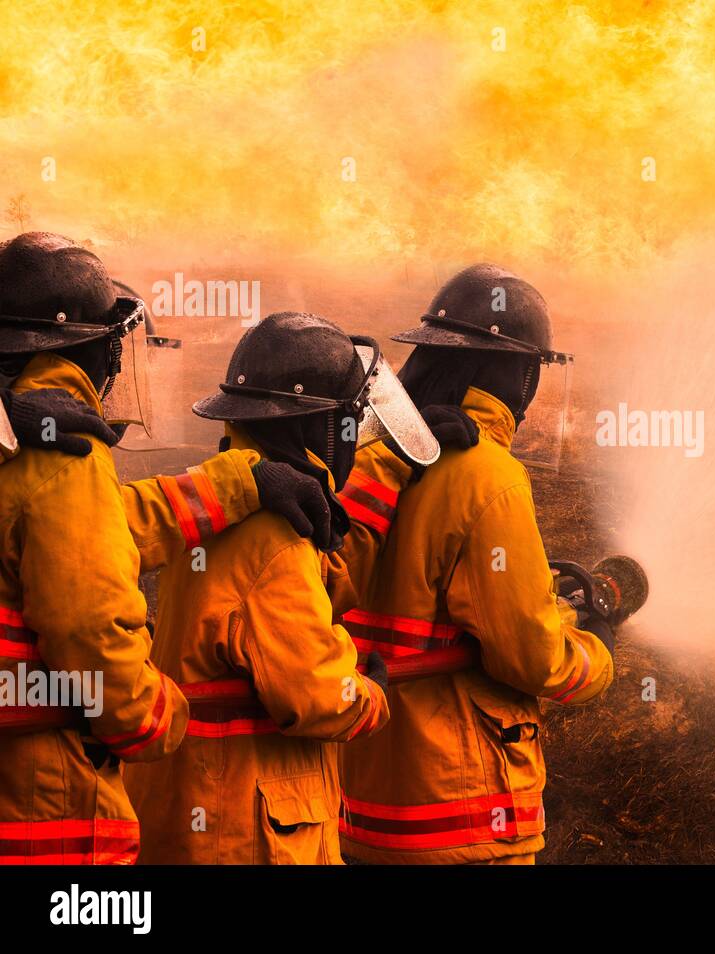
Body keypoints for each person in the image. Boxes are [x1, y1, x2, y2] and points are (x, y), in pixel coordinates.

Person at [0, 234, 327, 864]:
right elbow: (87, 621)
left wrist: (241, 481)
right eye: (111, 349)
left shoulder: (18, 433)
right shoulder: (63, 448)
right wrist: (152, 715)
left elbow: (99, 528)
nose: (116, 370)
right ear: (88, 345)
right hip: (45, 803)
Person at [123, 311, 438, 863]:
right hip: (246, 830)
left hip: (188, 808)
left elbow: (288, 605)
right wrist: (368, 693)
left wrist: (386, 468)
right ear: (315, 427)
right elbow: (315, 696)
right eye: (347, 424)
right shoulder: (276, 537)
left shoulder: (219, 513)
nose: (351, 437)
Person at [339, 264, 614, 865]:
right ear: (519, 374)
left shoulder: (367, 452)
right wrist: (593, 651)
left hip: (354, 799)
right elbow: (529, 656)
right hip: (459, 815)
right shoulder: (488, 476)